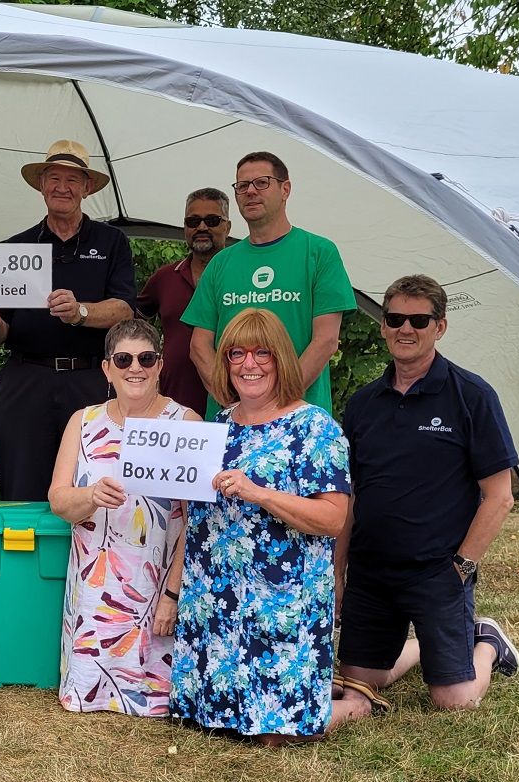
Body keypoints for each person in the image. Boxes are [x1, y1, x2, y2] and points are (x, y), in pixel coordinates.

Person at [170, 308, 368, 744]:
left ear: (281, 358)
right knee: (213, 723)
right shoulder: (218, 425)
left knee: (274, 736)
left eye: (262, 353)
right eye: (236, 354)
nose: (249, 364)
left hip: (282, 600)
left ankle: (355, 703)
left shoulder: (315, 427)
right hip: (218, 599)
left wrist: (260, 493)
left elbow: (333, 518)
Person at [335, 275, 519, 711]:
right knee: (360, 682)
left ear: (440, 327)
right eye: (395, 318)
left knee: (454, 701)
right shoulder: (362, 404)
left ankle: (488, 641)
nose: (406, 329)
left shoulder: (472, 395)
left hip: (438, 573)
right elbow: (350, 495)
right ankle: (424, 649)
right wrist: (338, 571)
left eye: (419, 320)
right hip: (372, 572)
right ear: (382, 324)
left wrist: (461, 568)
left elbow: (500, 496)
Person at [0, 139, 136, 501]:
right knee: (21, 488)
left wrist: (82, 312)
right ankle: (25, 556)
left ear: (87, 187)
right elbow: (0, 334)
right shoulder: (15, 249)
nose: (63, 187)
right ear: (41, 186)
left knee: (95, 482)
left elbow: (124, 310)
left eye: (73, 180)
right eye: (54, 178)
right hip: (25, 380)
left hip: (90, 378)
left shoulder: (112, 242)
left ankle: (93, 557)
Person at [49, 320, 200, 717]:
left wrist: (173, 593)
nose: (136, 367)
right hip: (96, 586)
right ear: (107, 368)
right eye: (124, 359)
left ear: (160, 365)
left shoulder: (185, 424)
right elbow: (59, 500)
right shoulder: (83, 421)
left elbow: (199, 521)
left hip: (157, 583)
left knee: (160, 699)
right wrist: (90, 496)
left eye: (146, 358)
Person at [184, 151, 358, 419]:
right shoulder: (220, 263)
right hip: (230, 424)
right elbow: (199, 346)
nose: (251, 191)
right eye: (242, 186)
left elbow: (325, 341)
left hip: (298, 422)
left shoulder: (319, 252)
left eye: (262, 183)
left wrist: (274, 407)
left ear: (285, 189)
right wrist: (231, 401)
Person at [136, 187, 233, 414]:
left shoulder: (243, 277)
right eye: (193, 221)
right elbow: (132, 325)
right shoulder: (164, 277)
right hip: (175, 405)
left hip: (233, 404)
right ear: (184, 228)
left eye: (212, 220)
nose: (201, 227)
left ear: (227, 227)